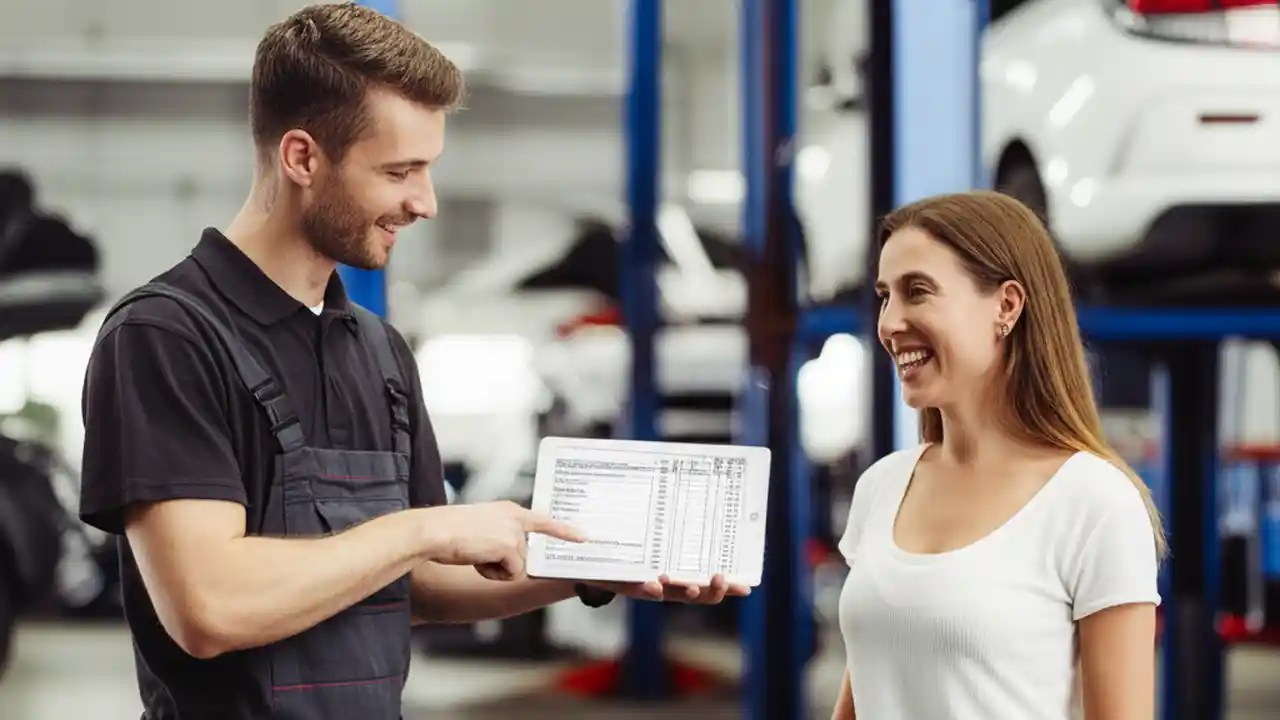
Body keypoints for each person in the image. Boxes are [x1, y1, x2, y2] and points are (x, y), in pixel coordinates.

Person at [77, 5, 746, 719]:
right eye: (400, 171)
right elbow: (209, 606)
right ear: (302, 157)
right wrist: (424, 528)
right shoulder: (166, 337)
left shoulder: (378, 351)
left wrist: (598, 568)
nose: (424, 202)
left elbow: (418, 584)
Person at [831, 191, 1165, 720]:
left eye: (917, 292)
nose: (890, 323)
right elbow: (864, 695)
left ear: (1006, 306)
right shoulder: (882, 486)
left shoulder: (1095, 502)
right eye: (884, 296)